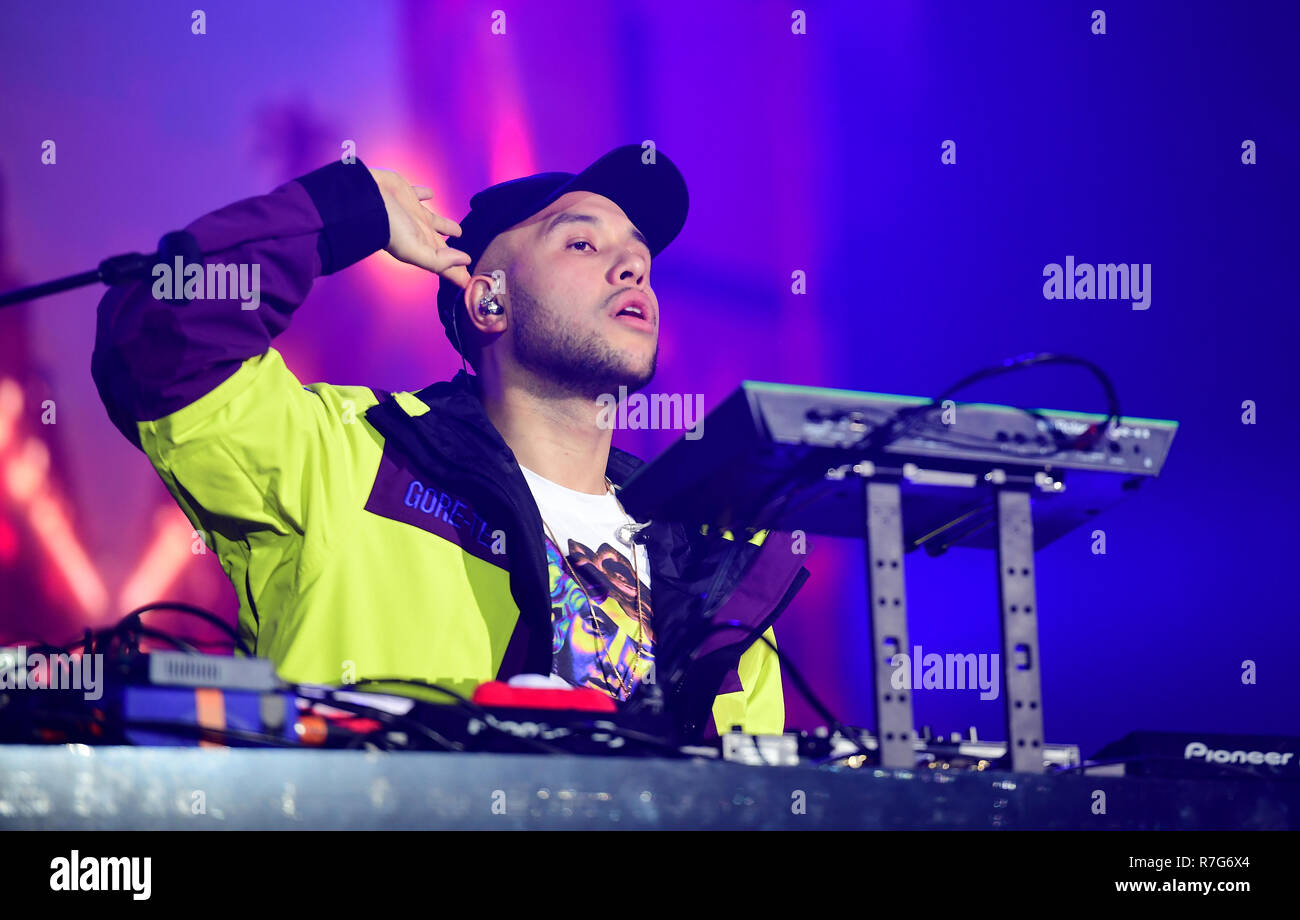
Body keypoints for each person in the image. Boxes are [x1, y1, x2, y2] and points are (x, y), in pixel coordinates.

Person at [92, 144, 808, 740]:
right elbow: (162, 340)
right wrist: (341, 209)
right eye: (583, 242)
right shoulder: (348, 458)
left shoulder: (717, 566)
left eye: (640, 256)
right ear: (487, 299)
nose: (632, 268)